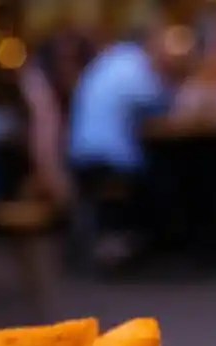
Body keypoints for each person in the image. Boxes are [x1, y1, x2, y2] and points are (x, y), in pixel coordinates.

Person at [68, 25, 178, 268]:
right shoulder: (134, 66)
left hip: (81, 153)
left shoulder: (108, 61)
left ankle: (115, 244)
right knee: (166, 178)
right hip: (109, 158)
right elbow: (161, 103)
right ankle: (130, 246)